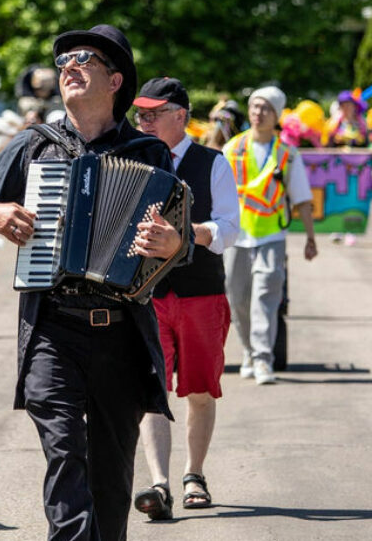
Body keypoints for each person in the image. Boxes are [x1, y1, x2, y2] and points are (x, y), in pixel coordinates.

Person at [0, 24, 187, 541]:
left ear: (115, 80)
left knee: (111, 476)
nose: (69, 68)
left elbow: (180, 242)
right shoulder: (35, 145)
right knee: (64, 453)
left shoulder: (148, 153)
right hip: (53, 328)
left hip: (120, 332)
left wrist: (174, 245)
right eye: (62, 62)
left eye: (84, 59)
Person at [131, 77, 239, 519]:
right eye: (139, 113)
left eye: (152, 113)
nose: (143, 120)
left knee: (198, 391)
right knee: (150, 391)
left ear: (181, 115)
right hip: (147, 294)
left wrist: (188, 235)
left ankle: (194, 473)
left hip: (200, 294)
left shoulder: (213, 162)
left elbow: (231, 228)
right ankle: (160, 482)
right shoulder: (131, 159)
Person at [224, 86, 318, 386]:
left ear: (276, 115)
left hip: (271, 235)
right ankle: (250, 351)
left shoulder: (287, 154)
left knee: (266, 298)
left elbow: (302, 198)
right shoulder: (232, 148)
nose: (257, 113)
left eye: (265, 108)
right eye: (254, 107)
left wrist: (311, 238)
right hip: (236, 237)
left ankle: (263, 359)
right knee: (237, 298)